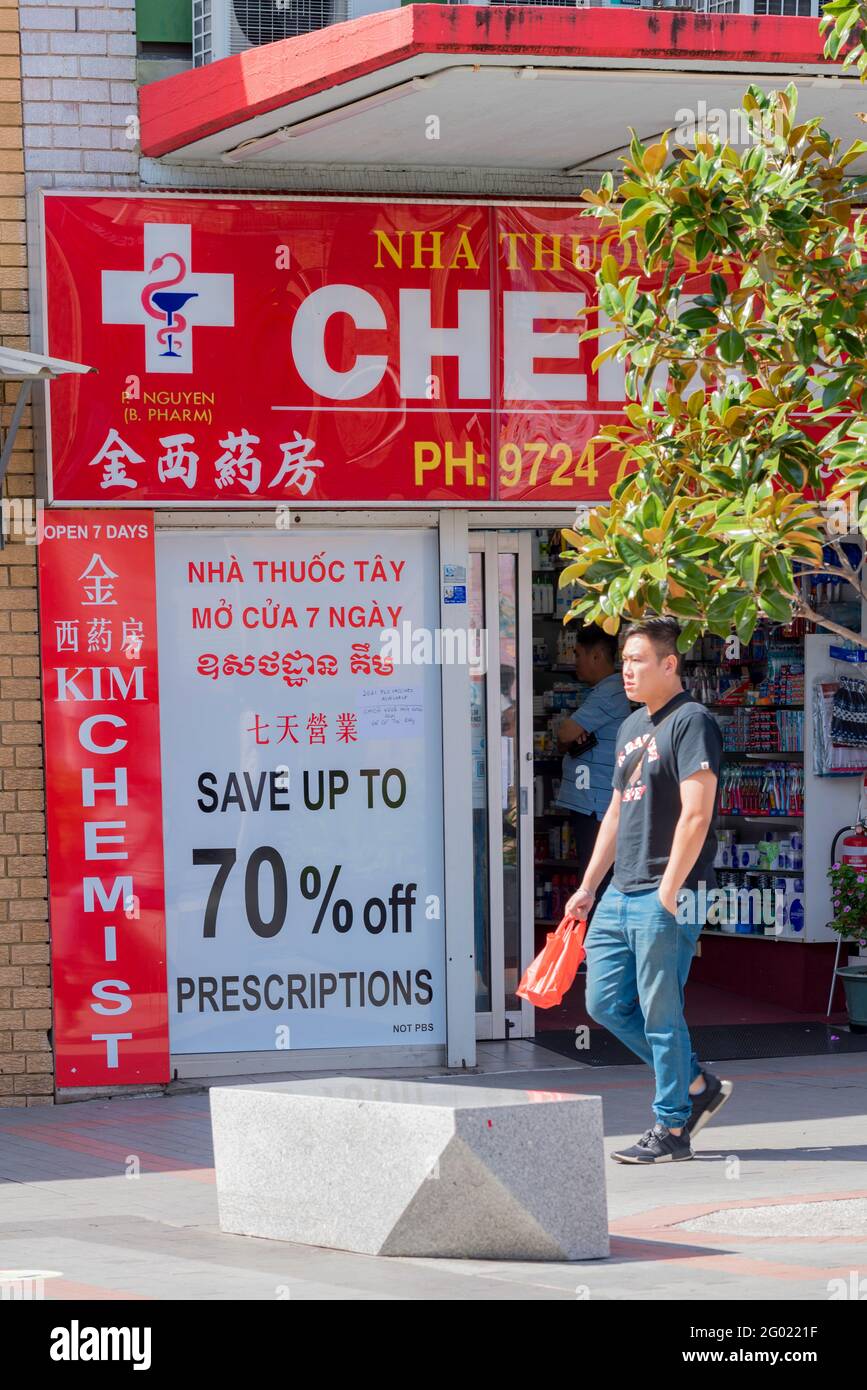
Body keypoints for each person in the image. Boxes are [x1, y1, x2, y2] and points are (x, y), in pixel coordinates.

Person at [565, 617, 733, 1165]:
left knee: (662, 1012)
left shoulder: (693, 722)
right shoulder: (634, 724)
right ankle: (695, 1085)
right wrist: (590, 886)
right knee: (604, 1002)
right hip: (620, 889)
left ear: (669, 664)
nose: (627, 670)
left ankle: (672, 1128)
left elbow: (697, 813)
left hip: (667, 890)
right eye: (624, 660)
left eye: (638, 660)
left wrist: (669, 890)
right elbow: (617, 810)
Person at [554, 625, 631, 916]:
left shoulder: (609, 691)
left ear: (597, 655)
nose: (575, 662)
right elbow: (566, 740)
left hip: (596, 806)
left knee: (595, 878)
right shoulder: (601, 691)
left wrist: (570, 736)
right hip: (592, 803)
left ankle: (591, 947)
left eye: (578, 654)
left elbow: (565, 734)